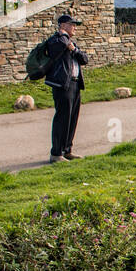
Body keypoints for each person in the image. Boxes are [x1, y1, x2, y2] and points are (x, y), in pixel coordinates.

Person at [45, 13, 88, 164]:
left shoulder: (71, 43)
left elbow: (84, 59)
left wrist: (74, 49)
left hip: (75, 83)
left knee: (72, 117)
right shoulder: (56, 40)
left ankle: (67, 150)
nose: (74, 27)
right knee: (62, 118)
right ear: (63, 26)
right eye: (72, 24)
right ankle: (56, 153)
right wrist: (64, 37)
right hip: (63, 84)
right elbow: (59, 46)